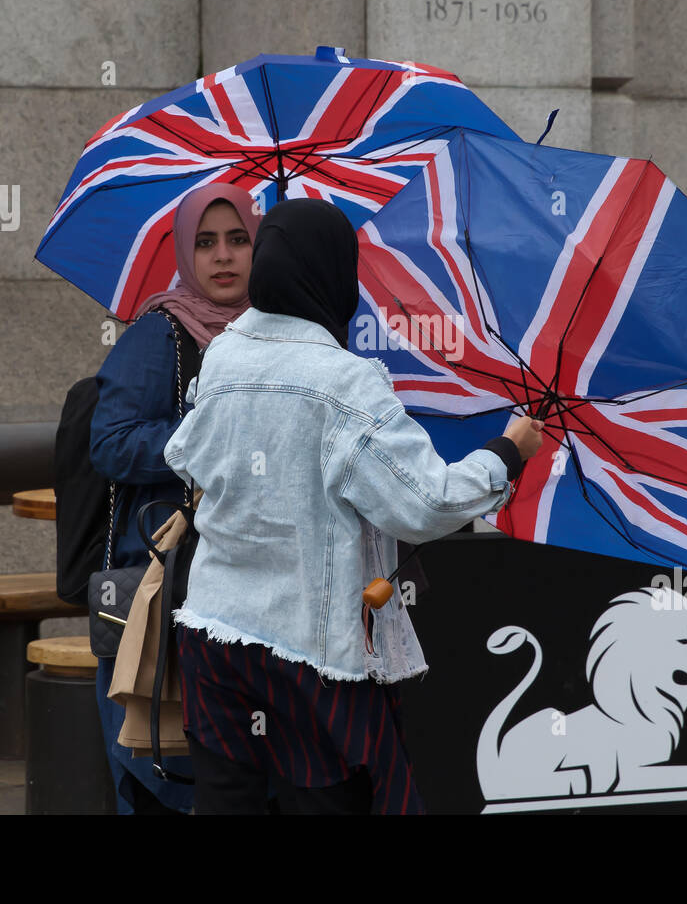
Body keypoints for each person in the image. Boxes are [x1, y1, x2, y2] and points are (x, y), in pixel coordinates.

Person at [163, 198, 546, 815]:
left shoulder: (222, 357)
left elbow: (184, 457)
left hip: (213, 634)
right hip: (307, 653)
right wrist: (507, 451)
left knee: (227, 805)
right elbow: (424, 504)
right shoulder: (344, 381)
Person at [90, 182, 261, 814]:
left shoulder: (277, 332)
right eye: (206, 243)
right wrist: (205, 439)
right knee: (164, 750)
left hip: (246, 576)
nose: (224, 257)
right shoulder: (161, 334)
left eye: (239, 240)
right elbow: (110, 443)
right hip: (170, 576)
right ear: (187, 255)